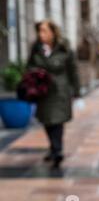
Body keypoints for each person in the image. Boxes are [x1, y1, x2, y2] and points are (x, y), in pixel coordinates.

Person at [27, 20, 80, 168]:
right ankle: (53, 147)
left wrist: (76, 90)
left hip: (59, 90)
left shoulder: (64, 47)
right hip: (42, 91)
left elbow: (73, 70)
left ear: (53, 32)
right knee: (46, 120)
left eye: (44, 30)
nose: (41, 34)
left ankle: (57, 150)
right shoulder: (36, 48)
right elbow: (29, 65)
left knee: (57, 120)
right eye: (39, 31)